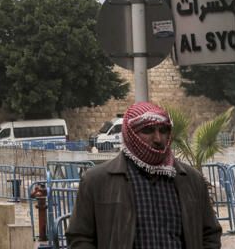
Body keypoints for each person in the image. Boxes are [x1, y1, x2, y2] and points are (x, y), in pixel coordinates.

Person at [65, 102, 222, 249]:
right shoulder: (97, 180)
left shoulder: (191, 179)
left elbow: (210, 234)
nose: (158, 139)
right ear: (130, 134)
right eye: (147, 131)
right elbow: (80, 237)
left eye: (163, 130)